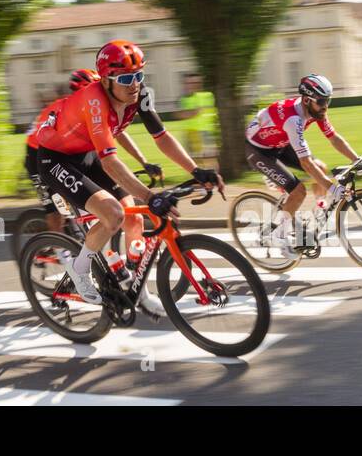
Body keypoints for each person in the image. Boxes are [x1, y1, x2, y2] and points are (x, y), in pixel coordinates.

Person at [35, 39, 222, 311]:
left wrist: (196, 170)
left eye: (138, 75)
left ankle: (139, 291)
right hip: (56, 158)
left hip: (86, 154)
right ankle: (79, 268)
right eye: (125, 78)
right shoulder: (95, 101)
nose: (134, 84)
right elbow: (110, 162)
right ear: (108, 80)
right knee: (113, 214)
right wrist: (150, 195)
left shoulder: (140, 95)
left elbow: (162, 136)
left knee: (132, 215)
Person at [23, 68, 162, 233]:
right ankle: (60, 250)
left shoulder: (100, 108)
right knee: (54, 212)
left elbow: (118, 133)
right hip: (37, 154)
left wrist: (144, 162)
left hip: (77, 152)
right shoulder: (62, 109)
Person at [244, 73, 362, 258]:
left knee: (321, 167)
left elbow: (334, 138)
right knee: (299, 191)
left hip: (280, 143)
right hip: (259, 151)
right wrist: (332, 188)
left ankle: (319, 210)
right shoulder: (294, 120)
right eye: (322, 102)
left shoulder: (316, 110)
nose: (325, 107)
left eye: (328, 101)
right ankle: (279, 235)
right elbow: (305, 163)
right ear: (307, 100)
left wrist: (357, 159)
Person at [175, 72, 218, 163]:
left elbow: (193, 113)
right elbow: (179, 114)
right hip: (190, 133)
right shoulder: (183, 99)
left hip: (205, 133)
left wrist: (188, 113)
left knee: (209, 160)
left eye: (195, 83)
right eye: (189, 83)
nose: (192, 86)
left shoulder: (207, 96)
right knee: (193, 162)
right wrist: (191, 113)